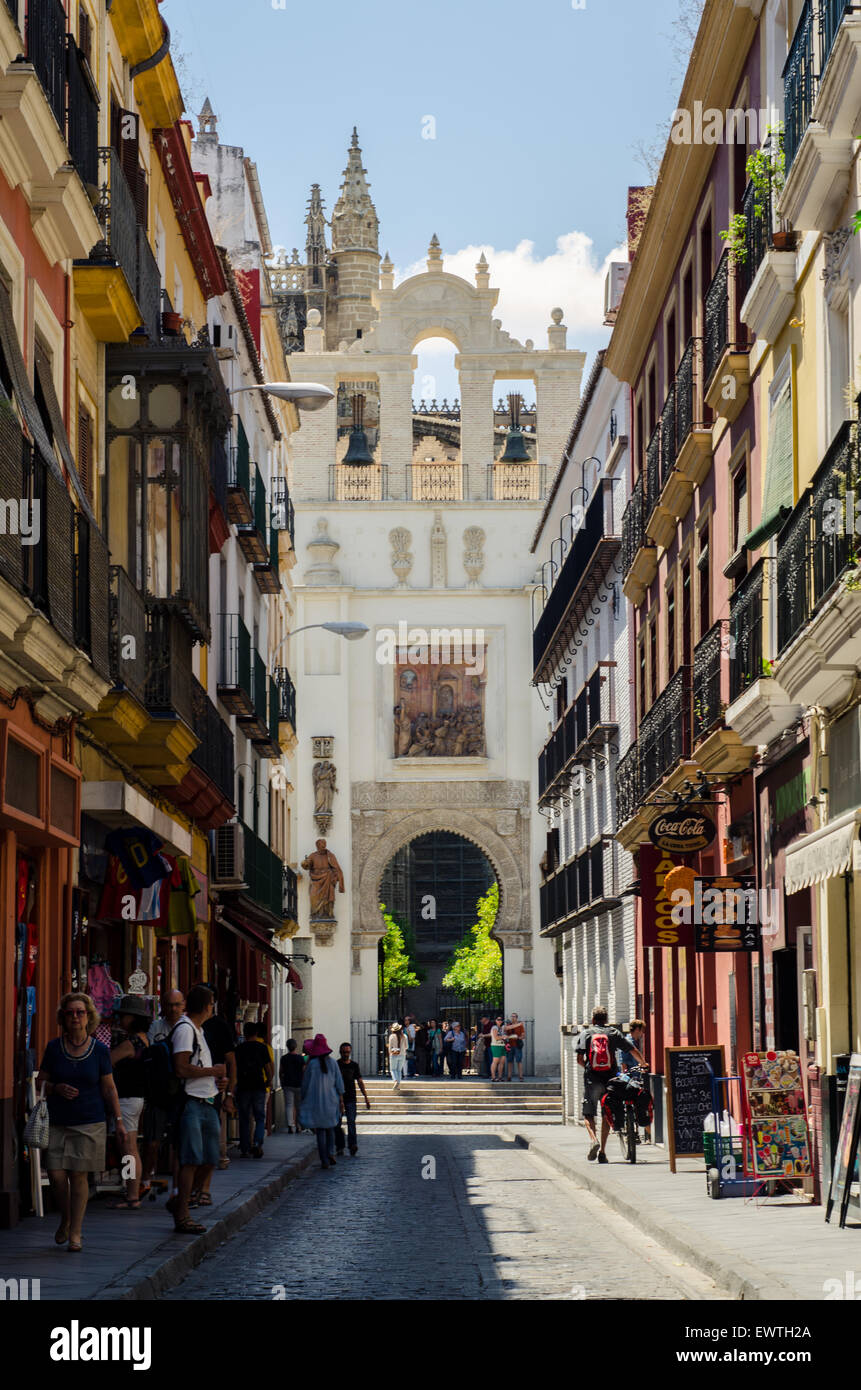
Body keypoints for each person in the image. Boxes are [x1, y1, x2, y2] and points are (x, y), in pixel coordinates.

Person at [36, 992, 125, 1251]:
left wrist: (118, 1120)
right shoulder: (54, 1048)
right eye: (70, 1012)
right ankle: (66, 1217)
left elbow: (109, 1088)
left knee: (78, 1175)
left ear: (89, 1017)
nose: (75, 1016)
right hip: (57, 1120)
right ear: (62, 1018)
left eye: (80, 1012)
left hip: (89, 1121)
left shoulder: (99, 1050)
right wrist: (55, 1087)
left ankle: (75, 1232)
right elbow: (41, 1081)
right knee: (55, 1174)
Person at [169, 985, 227, 1234]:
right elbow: (180, 1068)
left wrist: (216, 1081)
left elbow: (197, 1067)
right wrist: (213, 1072)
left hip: (208, 1100)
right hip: (191, 1102)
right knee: (191, 1160)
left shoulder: (199, 1031)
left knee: (211, 1158)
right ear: (206, 1006)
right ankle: (182, 1214)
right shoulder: (184, 1030)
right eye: (212, 1003)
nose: (213, 1007)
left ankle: (180, 1200)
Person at [576, 1006, 645, 1163]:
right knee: (607, 1112)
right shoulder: (613, 1033)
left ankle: (593, 1140)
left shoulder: (586, 1034)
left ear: (593, 1020)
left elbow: (579, 1059)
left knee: (588, 1113)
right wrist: (643, 1062)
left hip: (592, 1079)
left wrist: (589, 1067)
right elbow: (632, 1049)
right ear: (606, 1019)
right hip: (610, 1080)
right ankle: (603, 1152)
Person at [107, 996, 151, 1209]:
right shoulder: (143, 1039)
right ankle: (130, 1191)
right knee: (130, 1146)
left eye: (123, 1016)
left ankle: (132, 1195)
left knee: (128, 1148)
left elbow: (106, 1062)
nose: (121, 1020)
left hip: (126, 1099)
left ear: (132, 1018)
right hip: (135, 1098)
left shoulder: (129, 1043)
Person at [299, 1034, 344, 1169]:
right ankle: (331, 1153)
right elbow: (339, 1084)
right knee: (330, 1128)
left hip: (316, 1103)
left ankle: (324, 1159)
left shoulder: (311, 1065)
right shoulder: (333, 1063)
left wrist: (303, 1098)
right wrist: (341, 1100)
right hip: (331, 1102)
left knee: (320, 1131)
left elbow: (305, 1085)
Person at [202, 996, 236, 1172]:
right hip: (198, 1084)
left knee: (215, 1125)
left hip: (216, 1084)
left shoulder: (219, 1025)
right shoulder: (189, 1027)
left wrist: (229, 1093)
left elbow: (231, 1061)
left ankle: (218, 1157)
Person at [234, 1021, 274, 1158]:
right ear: (256, 1033)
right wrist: (268, 1081)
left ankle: (245, 1148)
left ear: (244, 1033)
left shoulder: (239, 1049)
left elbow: (235, 1069)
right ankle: (257, 1143)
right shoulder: (262, 1048)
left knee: (244, 1118)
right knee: (260, 1116)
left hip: (243, 1087)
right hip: (258, 1085)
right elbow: (269, 1068)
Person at [334, 1042, 370, 1157]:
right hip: (337, 1099)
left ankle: (352, 1145)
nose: (346, 1054)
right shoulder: (336, 1065)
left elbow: (359, 1081)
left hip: (350, 1099)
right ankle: (339, 1146)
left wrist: (366, 1097)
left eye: (348, 1052)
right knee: (337, 1124)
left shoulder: (354, 1065)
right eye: (344, 1052)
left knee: (351, 1123)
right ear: (340, 1052)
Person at [620, 1018, 651, 1143]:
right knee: (640, 1104)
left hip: (633, 1076)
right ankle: (637, 1132)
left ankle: (635, 1131)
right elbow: (623, 1062)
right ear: (637, 1030)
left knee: (636, 1105)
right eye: (642, 1031)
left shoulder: (631, 1041)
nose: (642, 1034)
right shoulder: (629, 1042)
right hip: (630, 1078)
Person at [279, 1038, 305, 1132]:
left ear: (287, 1047)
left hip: (287, 1084)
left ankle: (290, 1125)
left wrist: (282, 1082)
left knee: (289, 1105)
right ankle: (298, 1126)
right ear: (295, 1046)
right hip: (299, 1084)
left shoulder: (284, 1058)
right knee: (298, 1106)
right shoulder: (300, 1058)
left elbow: (281, 1072)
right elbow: (304, 1071)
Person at [506, 1013, 526, 1081]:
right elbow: (506, 1034)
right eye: (511, 1016)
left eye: (514, 1016)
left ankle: (520, 1076)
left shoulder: (520, 1026)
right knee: (509, 1061)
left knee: (519, 1061)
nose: (512, 1018)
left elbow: (523, 1036)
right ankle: (509, 1076)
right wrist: (509, 1037)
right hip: (510, 1046)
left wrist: (518, 1037)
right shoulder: (509, 1025)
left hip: (517, 1046)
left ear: (517, 1017)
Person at [388, 1022, 407, 1089]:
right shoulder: (404, 1036)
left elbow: (390, 1047)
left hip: (394, 1054)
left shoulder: (391, 1036)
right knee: (399, 1070)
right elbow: (406, 1046)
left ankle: (395, 1081)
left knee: (393, 1070)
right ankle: (398, 1083)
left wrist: (390, 1053)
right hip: (402, 1055)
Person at [489, 1016, 508, 1081]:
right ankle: (493, 1077)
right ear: (495, 1020)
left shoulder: (502, 1027)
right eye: (498, 1019)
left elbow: (511, 1027)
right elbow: (496, 1037)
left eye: (501, 1019)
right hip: (496, 1045)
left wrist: (519, 1024)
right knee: (495, 1061)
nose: (500, 1020)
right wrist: (503, 1037)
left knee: (502, 1062)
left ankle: (500, 1077)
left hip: (502, 1045)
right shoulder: (494, 1027)